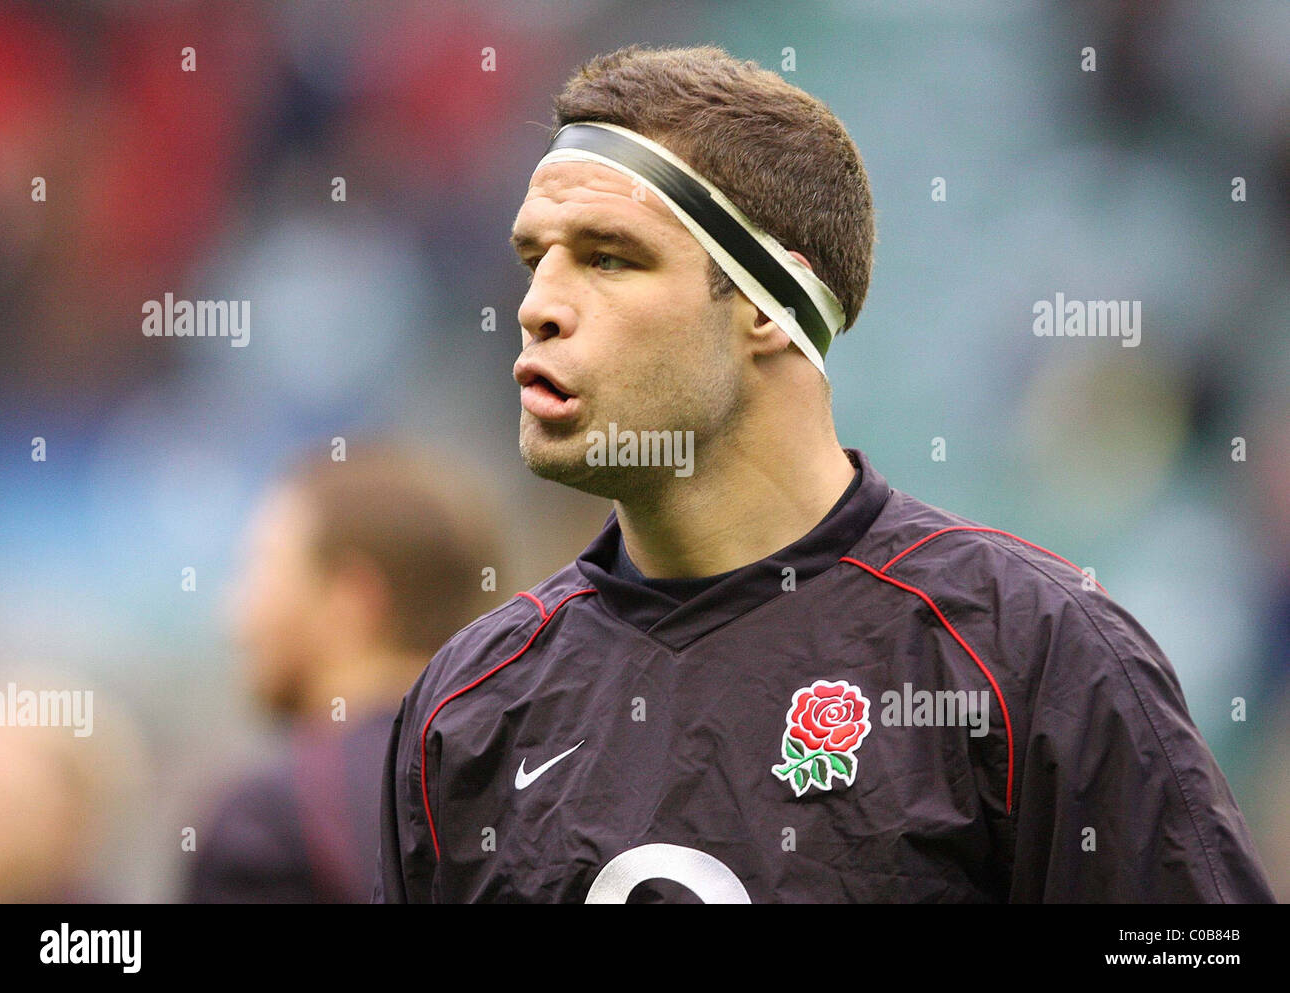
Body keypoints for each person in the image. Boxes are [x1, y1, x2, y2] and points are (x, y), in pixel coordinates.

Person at [375, 45, 1274, 903]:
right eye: (537, 261)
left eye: (611, 257)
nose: (538, 308)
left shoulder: (1031, 652)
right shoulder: (470, 706)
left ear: (771, 307)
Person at [184, 443, 497, 902]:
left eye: (259, 569)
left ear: (349, 598)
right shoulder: (539, 773)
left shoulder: (272, 819)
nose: (233, 618)